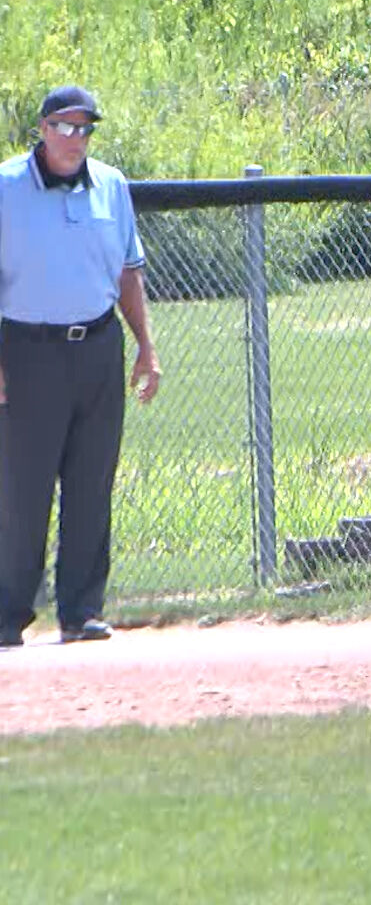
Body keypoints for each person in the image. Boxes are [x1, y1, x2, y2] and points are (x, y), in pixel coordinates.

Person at [0, 86, 162, 649]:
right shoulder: (6, 187)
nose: (75, 139)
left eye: (85, 128)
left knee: (92, 483)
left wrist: (146, 346)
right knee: (22, 489)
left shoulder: (111, 186)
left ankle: (82, 611)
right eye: (65, 127)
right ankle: (7, 615)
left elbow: (128, 272)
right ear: (42, 129)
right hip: (28, 349)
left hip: (97, 345)